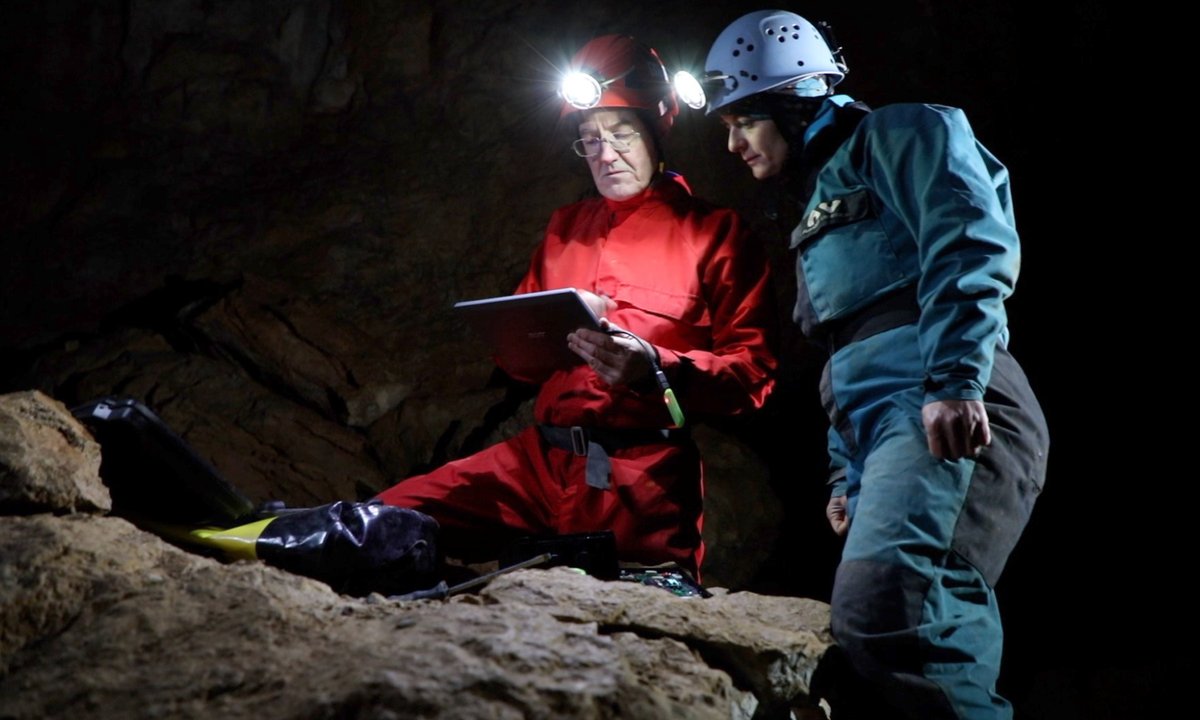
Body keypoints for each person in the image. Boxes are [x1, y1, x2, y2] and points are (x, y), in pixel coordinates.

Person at [702, 9, 1049, 719]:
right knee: (870, 650)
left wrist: (955, 380)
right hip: (887, 426)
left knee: (898, 614)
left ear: (792, 101)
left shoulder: (902, 131)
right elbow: (847, 354)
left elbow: (969, 243)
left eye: (744, 122)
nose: (733, 144)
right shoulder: (815, 213)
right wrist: (844, 472)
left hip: (952, 397)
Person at [374, 34, 778, 578]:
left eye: (621, 134)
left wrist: (656, 367)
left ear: (657, 133)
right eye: (589, 140)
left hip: (643, 479)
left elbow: (753, 374)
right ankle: (250, 537)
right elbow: (516, 360)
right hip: (539, 463)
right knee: (378, 523)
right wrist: (527, 334)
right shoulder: (566, 229)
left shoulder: (716, 234)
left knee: (632, 625)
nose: (605, 155)